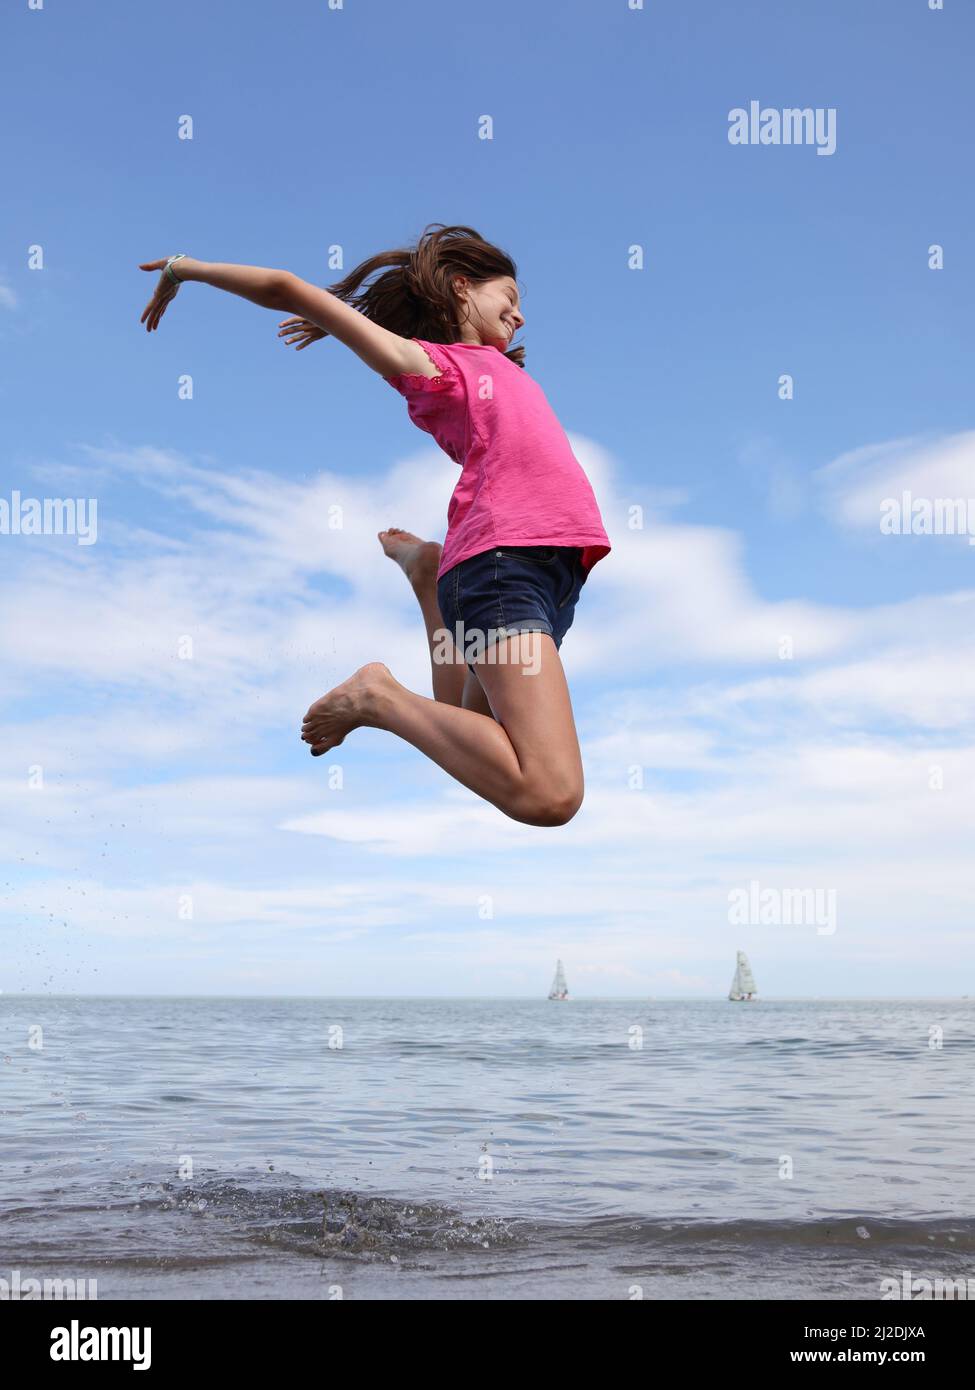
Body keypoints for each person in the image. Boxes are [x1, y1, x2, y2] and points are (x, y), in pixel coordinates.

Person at [139, 225, 610, 826]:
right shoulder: (437, 366)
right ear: (461, 288)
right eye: (509, 298)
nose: (520, 316)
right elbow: (286, 287)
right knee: (548, 793)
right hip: (503, 562)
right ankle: (378, 697)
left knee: (466, 724)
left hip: (548, 573)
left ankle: (427, 580)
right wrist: (184, 268)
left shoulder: (497, 371)